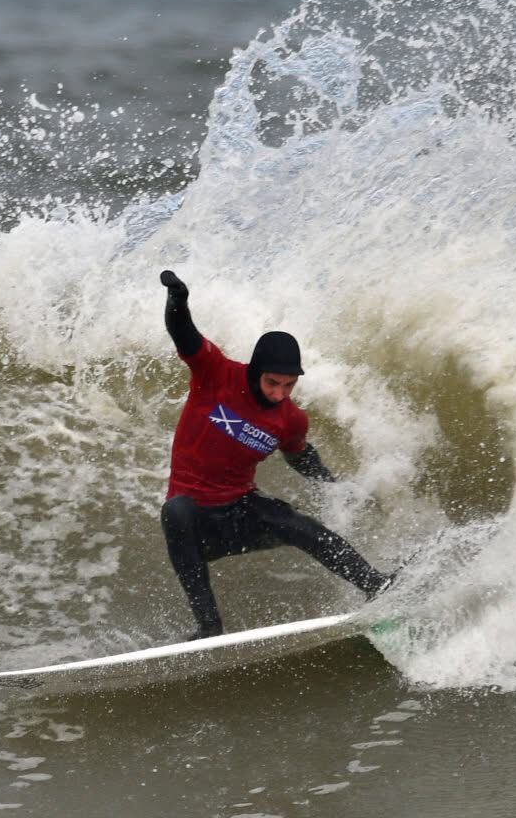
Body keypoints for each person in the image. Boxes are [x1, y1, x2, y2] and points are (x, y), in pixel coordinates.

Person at [158, 270, 393, 640]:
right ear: (255, 372)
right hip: (196, 526)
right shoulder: (215, 373)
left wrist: (335, 484)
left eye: (289, 385)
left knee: (303, 527)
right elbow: (183, 333)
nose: (280, 393)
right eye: (273, 383)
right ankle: (208, 627)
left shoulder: (290, 419)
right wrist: (178, 300)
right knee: (175, 510)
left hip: (239, 513)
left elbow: (300, 457)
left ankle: (378, 585)